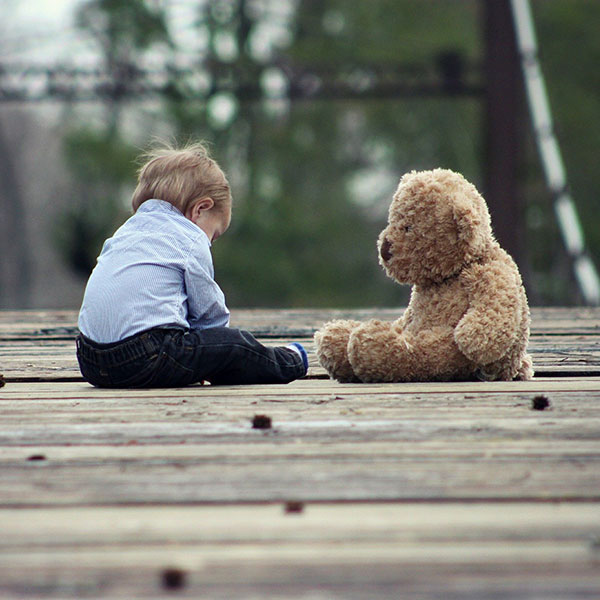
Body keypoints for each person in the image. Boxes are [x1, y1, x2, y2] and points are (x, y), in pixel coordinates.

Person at [76, 141, 308, 388]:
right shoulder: (189, 237)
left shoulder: (124, 232)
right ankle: (290, 360)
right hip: (145, 357)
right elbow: (209, 314)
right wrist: (218, 349)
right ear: (200, 209)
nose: (210, 242)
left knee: (197, 348)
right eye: (214, 235)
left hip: (90, 360)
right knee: (236, 345)